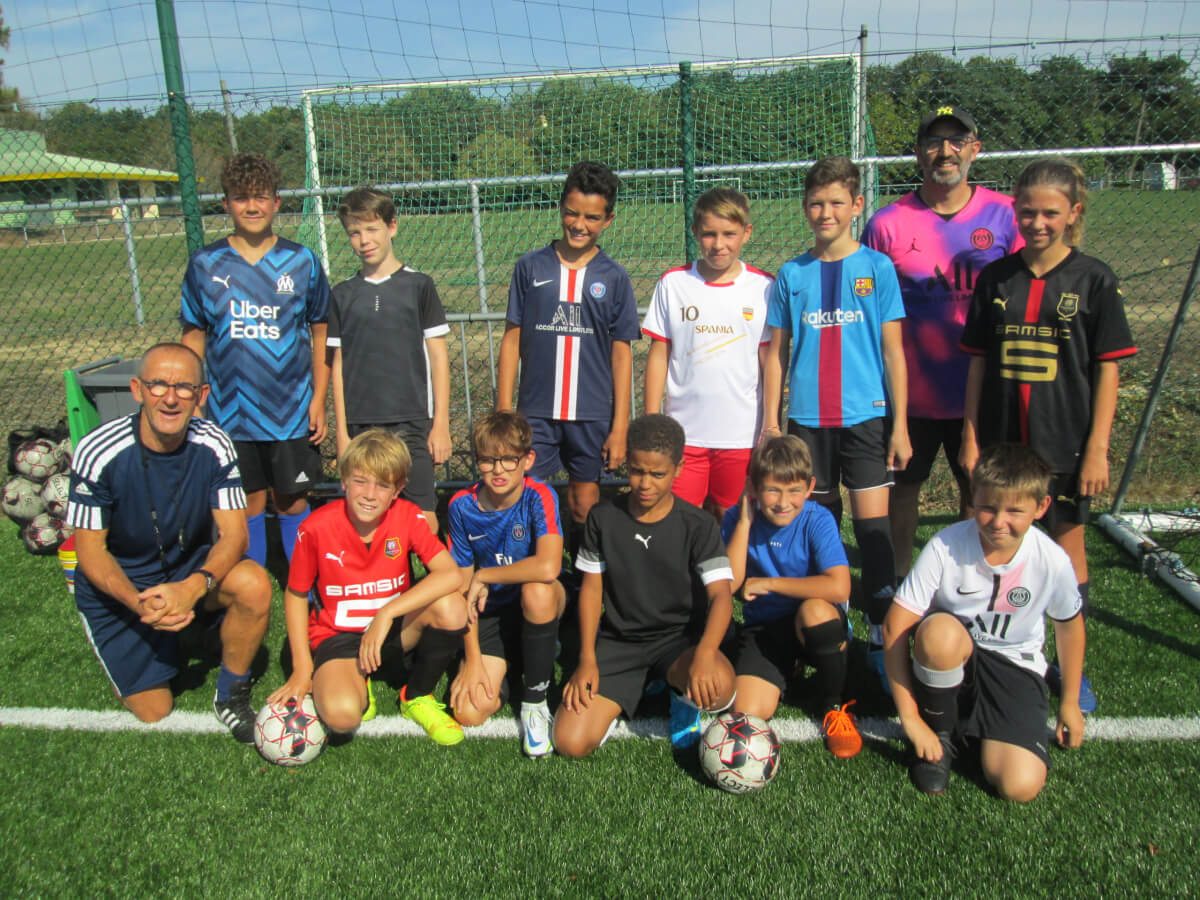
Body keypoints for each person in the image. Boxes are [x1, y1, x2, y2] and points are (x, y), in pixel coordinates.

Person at [960, 158, 1137, 713]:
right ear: (1014, 209)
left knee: (1066, 547)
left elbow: (1108, 368)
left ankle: (1069, 668)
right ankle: (976, 652)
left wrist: (1098, 450)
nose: (1037, 222)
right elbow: (978, 365)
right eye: (1028, 211)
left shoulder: (1094, 279)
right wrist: (970, 437)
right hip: (1000, 446)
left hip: (1064, 445)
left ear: (1074, 213)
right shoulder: (997, 278)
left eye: (1051, 213)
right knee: (985, 542)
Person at [67, 343, 272, 742]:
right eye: (158, 384)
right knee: (154, 711)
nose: (171, 397)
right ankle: (145, 640)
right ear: (137, 389)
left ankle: (230, 694)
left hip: (186, 568)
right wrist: (138, 603)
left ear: (202, 395)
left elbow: (235, 535)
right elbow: (90, 552)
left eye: (184, 387)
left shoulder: (215, 444)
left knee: (254, 584)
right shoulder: (97, 451)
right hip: (120, 587)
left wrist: (191, 587)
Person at [762, 156, 911, 689]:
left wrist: (900, 425)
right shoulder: (792, 274)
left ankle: (880, 635)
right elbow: (774, 354)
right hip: (806, 423)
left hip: (866, 419)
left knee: (872, 534)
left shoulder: (877, 269)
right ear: (805, 207)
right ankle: (822, 628)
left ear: (856, 206)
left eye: (836, 203)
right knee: (814, 528)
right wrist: (770, 421)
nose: (825, 212)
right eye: (816, 203)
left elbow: (894, 353)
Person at [862, 106, 1023, 579]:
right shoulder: (887, 223)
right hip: (912, 389)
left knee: (977, 489)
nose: (945, 151)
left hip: (982, 387)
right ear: (918, 153)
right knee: (903, 488)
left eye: (957, 140)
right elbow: (873, 313)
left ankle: (967, 578)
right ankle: (896, 579)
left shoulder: (1006, 214)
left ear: (976, 148)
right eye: (934, 141)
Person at [883, 443, 1086, 801]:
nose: (998, 521)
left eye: (1014, 510)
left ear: (1041, 508)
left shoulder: (1051, 560)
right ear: (973, 498)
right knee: (939, 634)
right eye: (988, 507)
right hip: (953, 658)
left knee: (1018, 786)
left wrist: (1069, 700)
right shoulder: (946, 546)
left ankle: (977, 731)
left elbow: (1069, 626)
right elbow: (895, 626)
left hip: (1014, 666)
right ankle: (939, 737)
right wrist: (910, 718)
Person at [553, 414, 736, 757]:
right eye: (637, 471)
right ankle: (623, 698)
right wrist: (587, 659)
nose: (645, 483)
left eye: (657, 474)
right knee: (569, 743)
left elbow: (721, 597)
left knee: (720, 688)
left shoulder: (697, 524)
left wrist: (706, 653)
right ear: (627, 464)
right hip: (620, 643)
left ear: (678, 469)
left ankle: (679, 693)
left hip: (677, 641)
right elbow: (592, 591)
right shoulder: (603, 518)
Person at [180, 152, 330, 568]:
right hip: (231, 412)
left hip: (291, 408)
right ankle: (254, 580)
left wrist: (319, 398)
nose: (251, 206)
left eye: (260, 197)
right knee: (246, 501)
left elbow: (321, 330)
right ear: (225, 204)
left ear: (276, 202)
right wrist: (195, 400)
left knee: (291, 499)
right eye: (241, 197)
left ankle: (302, 582)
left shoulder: (301, 262)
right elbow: (193, 335)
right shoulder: (205, 264)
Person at [269, 429, 467, 745]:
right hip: (340, 637)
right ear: (344, 481)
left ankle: (416, 697)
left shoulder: (407, 517)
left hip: (394, 631)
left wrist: (387, 613)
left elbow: (451, 575)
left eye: (383, 485)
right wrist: (302, 667)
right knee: (342, 717)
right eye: (360, 481)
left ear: (398, 489)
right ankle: (359, 679)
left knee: (453, 607)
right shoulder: (315, 528)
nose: (370, 494)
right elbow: (295, 596)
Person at [497, 160, 641, 563]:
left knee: (583, 504)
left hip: (591, 413)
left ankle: (584, 584)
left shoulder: (614, 277)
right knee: (526, 502)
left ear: (607, 220)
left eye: (592, 217)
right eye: (572, 213)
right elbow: (512, 340)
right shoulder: (531, 267)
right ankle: (532, 584)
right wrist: (504, 410)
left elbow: (621, 354)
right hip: (535, 413)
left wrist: (619, 427)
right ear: (561, 208)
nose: (580, 224)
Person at [722, 435, 861, 758]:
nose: (784, 502)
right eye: (772, 489)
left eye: (794, 490)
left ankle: (834, 705)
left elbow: (839, 587)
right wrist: (744, 521)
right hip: (767, 628)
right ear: (753, 487)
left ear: (810, 487)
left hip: (814, 620)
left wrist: (770, 584)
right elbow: (729, 585)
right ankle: (789, 667)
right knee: (747, 710)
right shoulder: (736, 518)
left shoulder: (817, 519)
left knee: (815, 613)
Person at [642, 187, 774, 520]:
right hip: (683, 432)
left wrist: (770, 421)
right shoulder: (674, 283)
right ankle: (683, 574)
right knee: (680, 517)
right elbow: (659, 354)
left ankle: (730, 574)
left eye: (729, 234)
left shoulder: (763, 287)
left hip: (741, 432)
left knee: (730, 515)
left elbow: (768, 360)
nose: (719, 244)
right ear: (695, 233)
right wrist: (650, 418)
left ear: (747, 232)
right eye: (709, 234)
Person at [328, 187, 452, 529]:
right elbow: (337, 366)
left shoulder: (419, 286)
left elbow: (438, 358)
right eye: (354, 232)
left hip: (412, 422)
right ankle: (384, 582)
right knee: (369, 515)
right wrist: (342, 435)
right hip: (361, 426)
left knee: (423, 516)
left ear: (392, 227)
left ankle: (437, 582)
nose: (364, 239)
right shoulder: (341, 295)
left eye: (372, 229)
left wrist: (439, 423)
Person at [446, 411, 566, 757]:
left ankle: (534, 702)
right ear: (477, 462)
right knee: (469, 712)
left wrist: (486, 574)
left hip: (538, 601)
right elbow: (461, 589)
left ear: (527, 460)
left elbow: (549, 566)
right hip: (491, 613)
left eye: (509, 459)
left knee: (537, 591)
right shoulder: (461, 506)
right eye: (487, 460)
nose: (498, 470)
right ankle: (516, 664)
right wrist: (472, 660)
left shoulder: (538, 495)